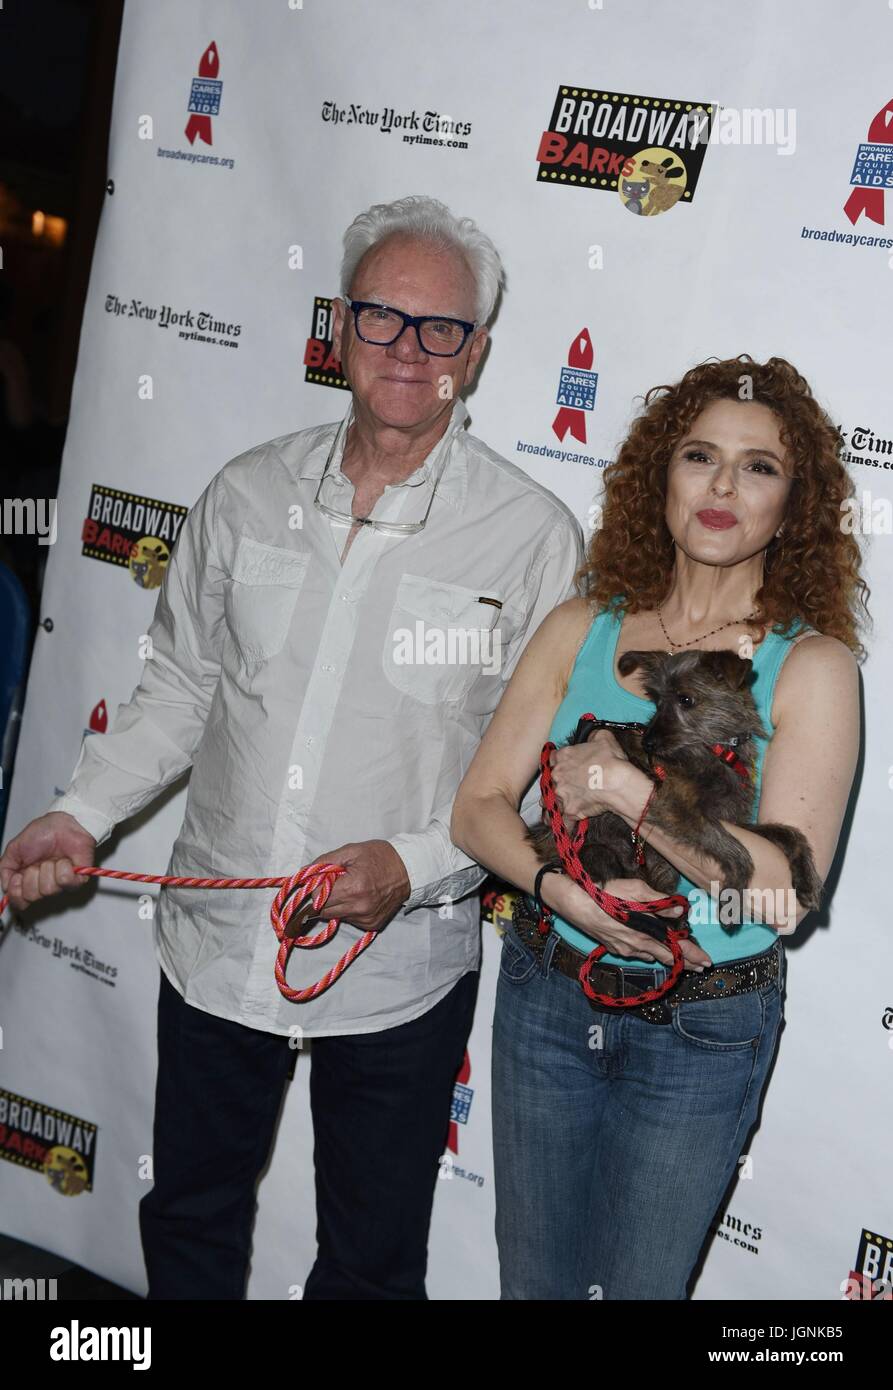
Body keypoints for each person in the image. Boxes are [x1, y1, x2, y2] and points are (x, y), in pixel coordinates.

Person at [0, 195, 584, 1300]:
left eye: (440, 328)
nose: (407, 350)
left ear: (478, 353)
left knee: (369, 1267)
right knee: (190, 1220)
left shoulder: (533, 536)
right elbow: (180, 685)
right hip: (220, 930)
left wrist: (411, 868)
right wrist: (80, 814)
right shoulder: (243, 493)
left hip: (400, 974)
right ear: (336, 325)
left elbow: (539, 773)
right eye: (380, 317)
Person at [451, 355, 865, 1300]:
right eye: (698, 456)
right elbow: (474, 808)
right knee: (534, 1290)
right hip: (546, 993)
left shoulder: (813, 668)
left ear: (792, 504)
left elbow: (782, 892)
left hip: (703, 1025)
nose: (722, 486)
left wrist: (623, 790)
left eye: (757, 466)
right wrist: (559, 891)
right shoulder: (580, 627)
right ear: (660, 479)